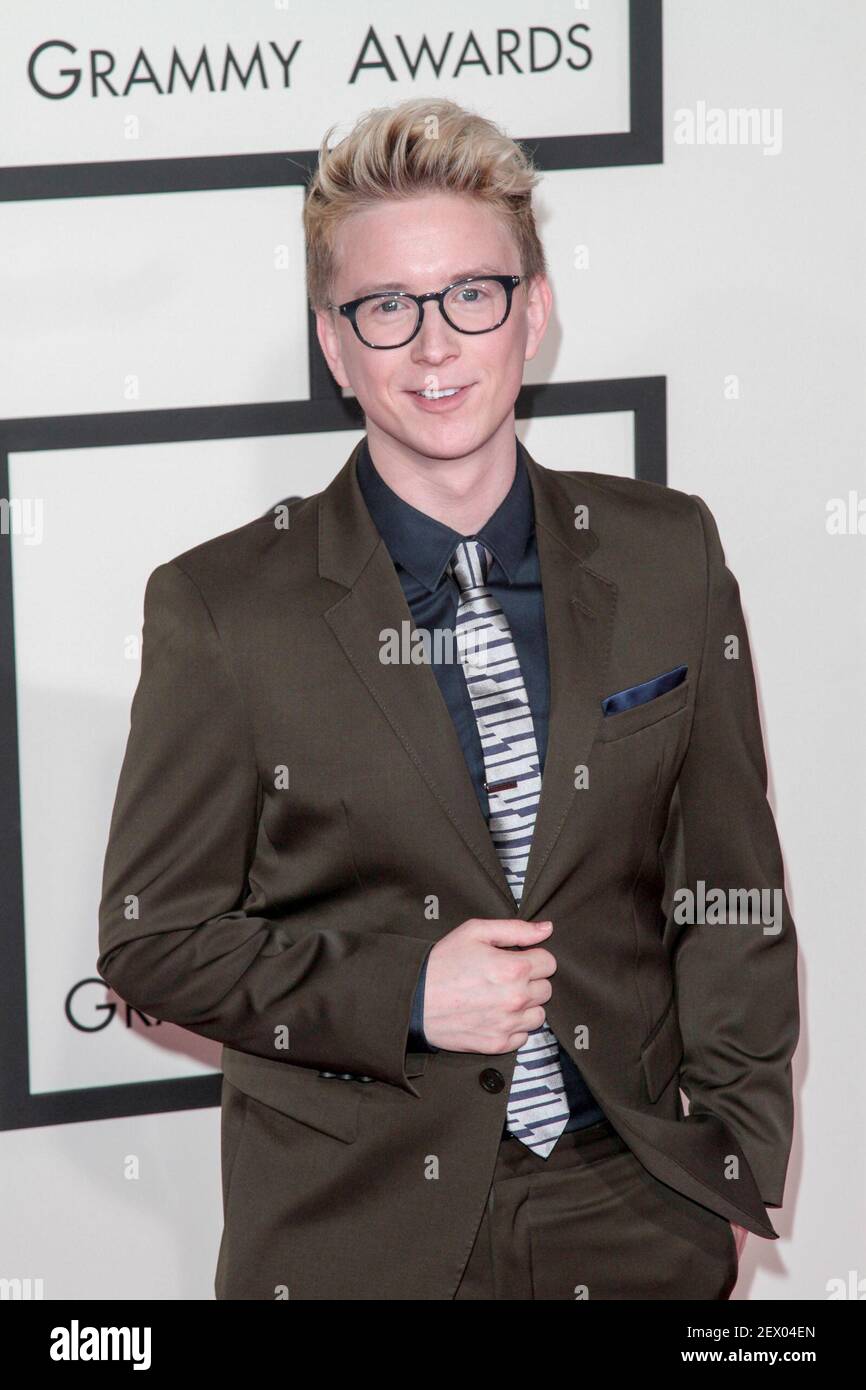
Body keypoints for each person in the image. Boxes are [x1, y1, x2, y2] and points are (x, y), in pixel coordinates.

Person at [97, 96, 799, 1300]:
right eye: (387, 307)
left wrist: (727, 1172)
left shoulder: (664, 555)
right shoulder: (223, 609)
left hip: (633, 1207)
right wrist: (407, 991)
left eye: (471, 294)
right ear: (335, 345)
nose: (433, 346)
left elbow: (731, 893)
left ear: (532, 310)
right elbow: (151, 943)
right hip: (355, 1232)